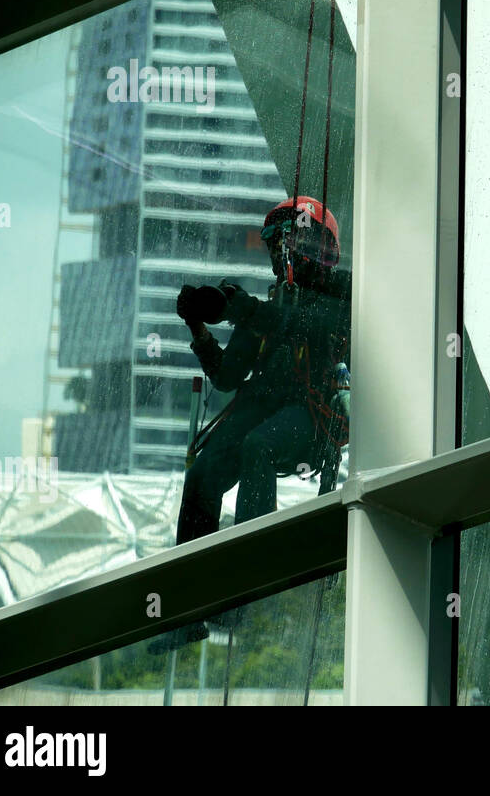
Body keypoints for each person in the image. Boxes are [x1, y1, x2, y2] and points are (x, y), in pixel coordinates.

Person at [150, 197, 351, 653]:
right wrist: (199, 328)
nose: (283, 251)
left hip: (310, 418)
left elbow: (302, 322)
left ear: (322, 249)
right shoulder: (266, 310)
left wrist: (243, 310)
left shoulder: (341, 298)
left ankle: (248, 577)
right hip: (264, 411)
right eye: (278, 242)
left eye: (293, 239)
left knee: (258, 445)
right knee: (202, 473)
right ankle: (187, 609)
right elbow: (226, 376)